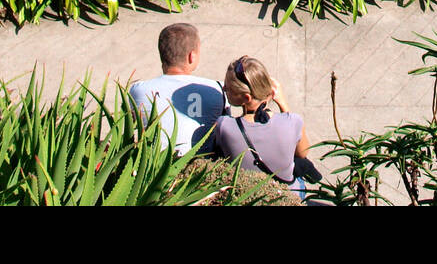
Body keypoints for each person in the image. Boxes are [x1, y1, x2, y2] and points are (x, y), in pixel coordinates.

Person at [212, 56, 313, 198]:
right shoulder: (293, 121)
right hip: (286, 197)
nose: (224, 88)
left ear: (246, 98)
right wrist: (283, 103)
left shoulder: (224, 126)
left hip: (247, 196)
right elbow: (303, 153)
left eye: (228, 88)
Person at [129, 23, 227, 157]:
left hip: (154, 168)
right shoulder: (218, 88)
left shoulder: (138, 90)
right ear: (192, 56)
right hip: (202, 167)